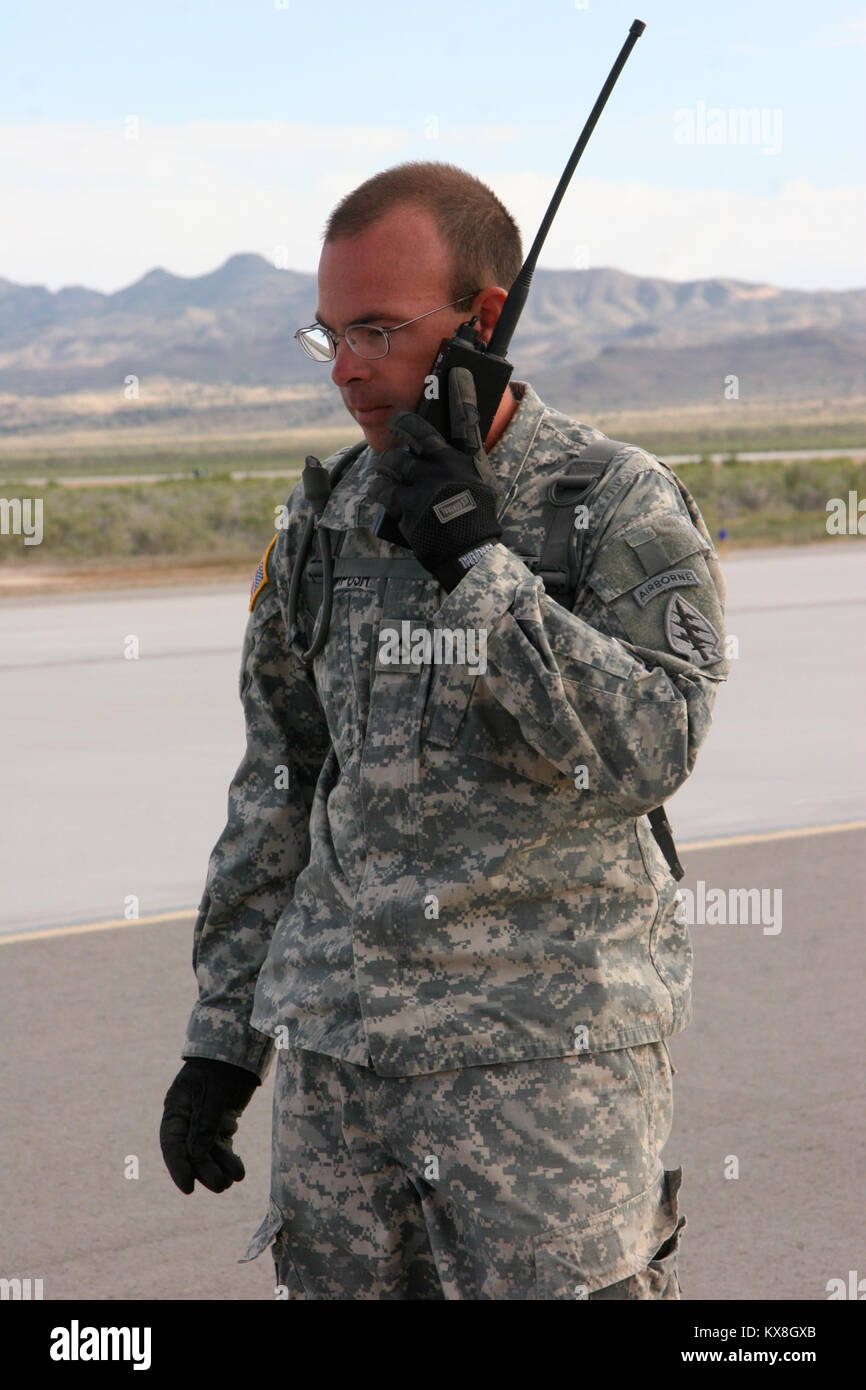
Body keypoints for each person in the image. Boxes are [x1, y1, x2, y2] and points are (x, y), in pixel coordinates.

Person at [160, 161, 728, 1300]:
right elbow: (279, 777)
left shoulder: (609, 503)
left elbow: (651, 745)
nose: (351, 370)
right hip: (341, 1060)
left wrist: (480, 565)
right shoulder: (328, 512)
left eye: (376, 329)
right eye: (328, 337)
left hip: (542, 1068)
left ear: (481, 321)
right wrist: (224, 1036)